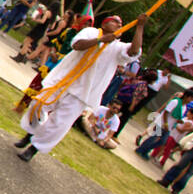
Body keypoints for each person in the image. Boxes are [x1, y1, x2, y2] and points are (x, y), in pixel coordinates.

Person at [15, 13, 147, 161]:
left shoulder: (119, 48)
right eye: (115, 21)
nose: (119, 24)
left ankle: (34, 148)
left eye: (121, 23)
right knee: (37, 105)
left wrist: (140, 27)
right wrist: (101, 40)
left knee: (59, 123)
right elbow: (77, 45)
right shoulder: (91, 32)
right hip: (63, 81)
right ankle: (30, 134)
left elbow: (134, 51)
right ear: (104, 24)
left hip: (82, 93)